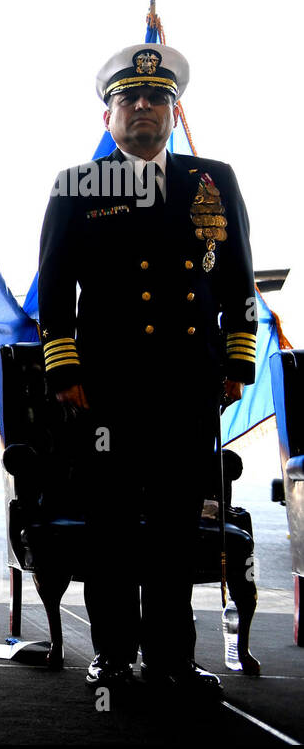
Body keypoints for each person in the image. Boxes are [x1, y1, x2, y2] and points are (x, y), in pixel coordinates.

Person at [37, 43, 256, 699]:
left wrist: (238, 359)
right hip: (107, 389)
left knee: (174, 529)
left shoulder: (210, 180)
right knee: (110, 529)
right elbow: (53, 291)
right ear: (107, 113)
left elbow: (238, 278)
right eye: (127, 98)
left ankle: (171, 660)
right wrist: (63, 365)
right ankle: (109, 654)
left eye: (155, 98)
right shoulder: (78, 185)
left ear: (174, 109)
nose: (142, 107)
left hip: (188, 385)